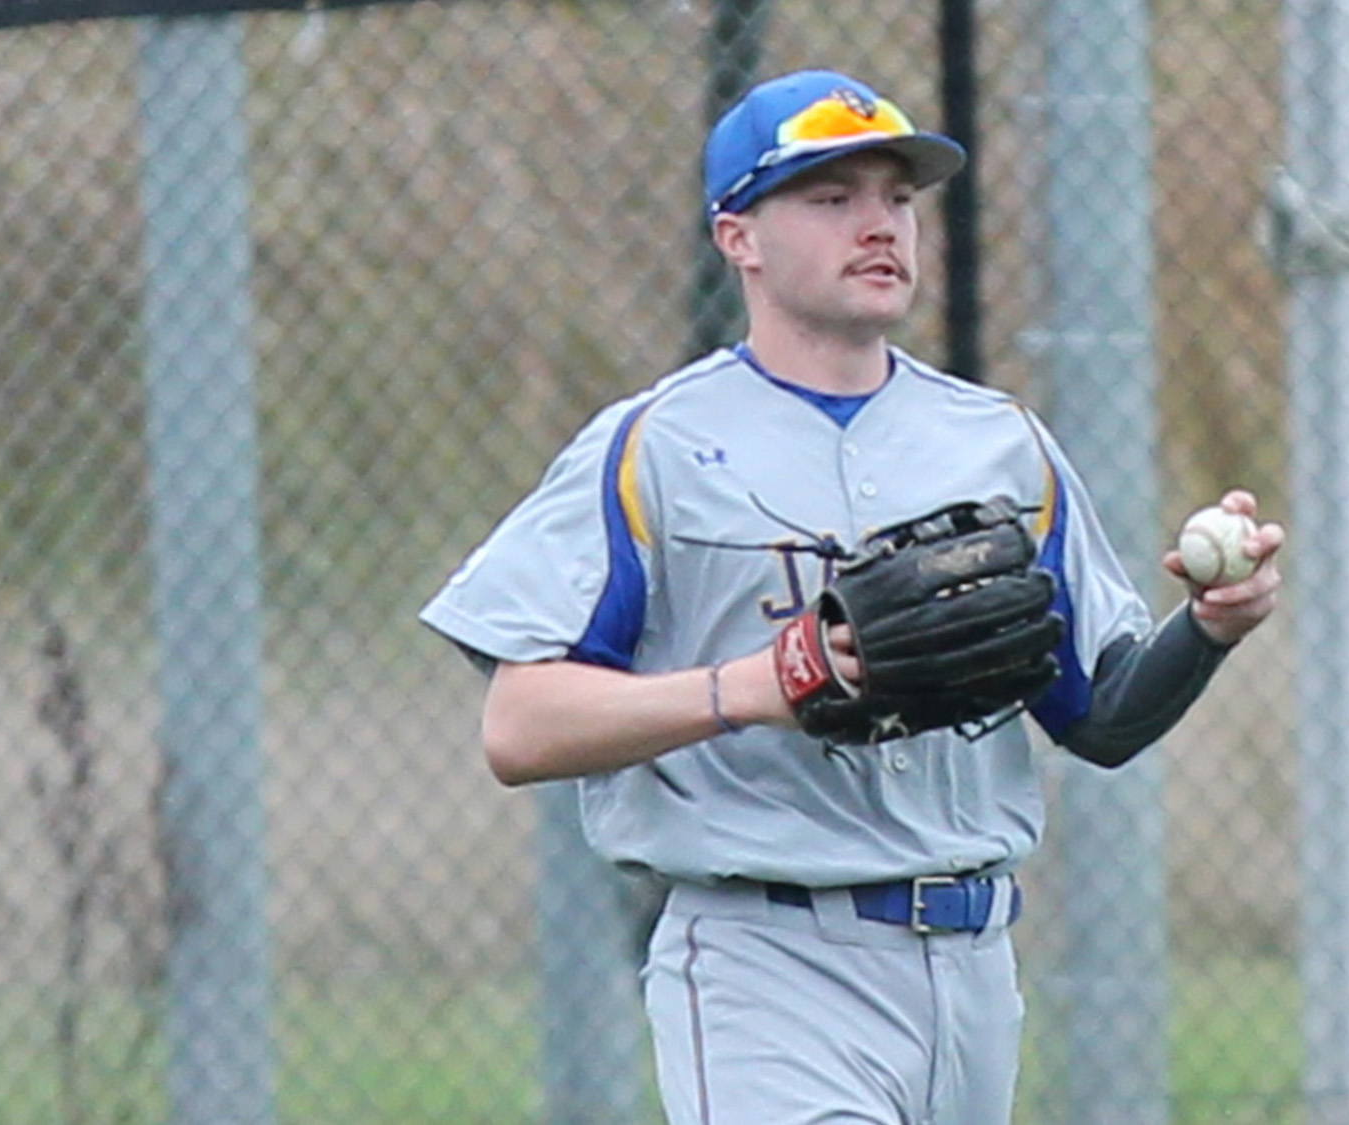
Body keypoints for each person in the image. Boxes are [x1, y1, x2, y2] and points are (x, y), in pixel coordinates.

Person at [420, 68, 1285, 1125]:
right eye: (831, 198)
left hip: (971, 972)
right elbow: (519, 727)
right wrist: (757, 683)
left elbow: (1099, 720)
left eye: (896, 198)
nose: (877, 224)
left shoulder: (998, 442)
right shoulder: (654, 447)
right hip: (765, 961)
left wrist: (1204, 630)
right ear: (736, 236)